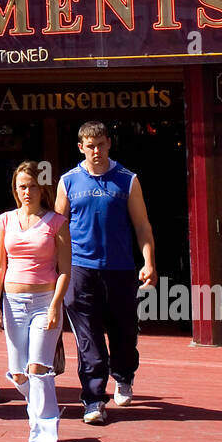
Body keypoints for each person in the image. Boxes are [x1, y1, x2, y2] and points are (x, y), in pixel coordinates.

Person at [55, 121, 156, 425]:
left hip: (121, 269)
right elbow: (59, 230)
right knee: (89, 340)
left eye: (100, 144)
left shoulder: (127, 180)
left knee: (124, 333)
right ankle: (94, 399)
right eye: (89, 145)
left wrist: (148, 262)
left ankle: (124, 376)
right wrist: (58, 268)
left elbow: (142, 225)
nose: (96, 151)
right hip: (81, 270)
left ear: (109, 143)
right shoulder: (68, 181)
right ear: (80, 147)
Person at [0, 160, 71, 442]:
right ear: (15, 189)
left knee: (38, 370)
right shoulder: (5, 221)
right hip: (13, 302)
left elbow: (65, 270)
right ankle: (42, 404)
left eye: (33, 186)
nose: (27, 192)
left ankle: (41, 438)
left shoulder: (56, 222)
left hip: (43, 303)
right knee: (19, 373)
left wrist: (55, 305)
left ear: (42, 188)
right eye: (22, 186)